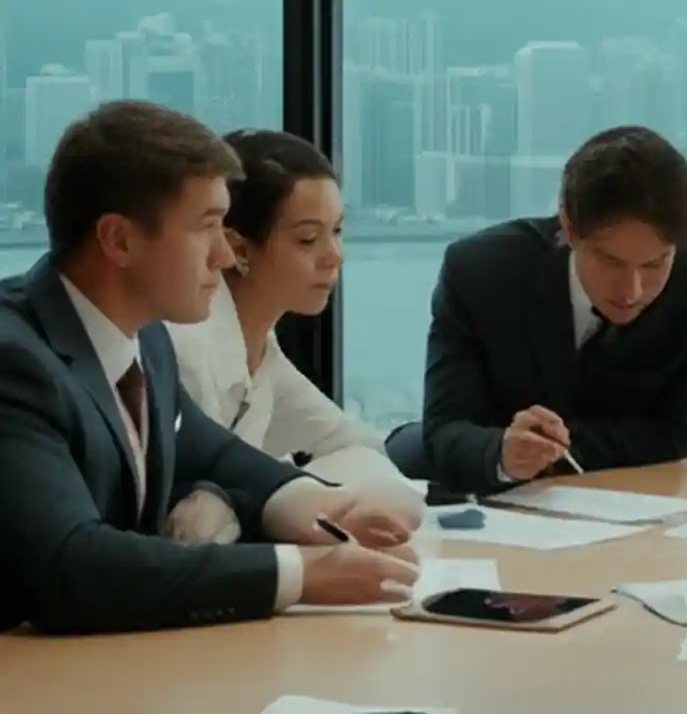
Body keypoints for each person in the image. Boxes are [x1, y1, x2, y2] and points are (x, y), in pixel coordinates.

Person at [0, 101, 420, 635]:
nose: (225, 256)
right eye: (207, 227)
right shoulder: (15, 362)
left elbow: (210, 449)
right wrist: (298, 573)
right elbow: (72, 567)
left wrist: (319, 508)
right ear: (119, 240)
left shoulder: (144, 336)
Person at [385, 125, 687, 495]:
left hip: (634, 502)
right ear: (568, 228)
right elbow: (447, 430)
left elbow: (683, 438)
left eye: (655, 265)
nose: (632, 290)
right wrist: (503, 452)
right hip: (492, 495)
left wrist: (556, 447)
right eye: (611, 261)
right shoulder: (481, 272)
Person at [163, 129, 422, 545]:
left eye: (337, 231)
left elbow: (363, 450)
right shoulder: (186, 347)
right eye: (308, 239)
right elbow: (190, 526)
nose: (334, 255)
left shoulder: (263, 353)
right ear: (239, 250)